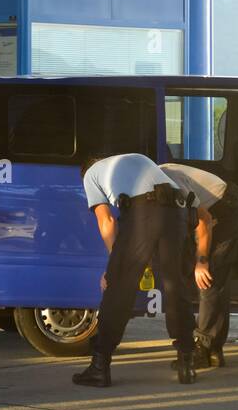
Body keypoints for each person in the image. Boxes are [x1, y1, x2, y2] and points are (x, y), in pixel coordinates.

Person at [74, 153, 197, 388]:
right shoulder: (133, 159)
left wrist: (114, 265)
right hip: (177, 210)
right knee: (175, 285)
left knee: (118, 288)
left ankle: (99, 367)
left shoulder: (90, 175)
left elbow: (107, 221)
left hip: (145, 210)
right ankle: (187, 363)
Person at [159, 163, 238, 369]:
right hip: (217, 204)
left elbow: (204, 221)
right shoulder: (156, 179)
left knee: (209, 274)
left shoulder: (168, 183)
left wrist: (202, 260)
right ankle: (214, 350)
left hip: (226, 207)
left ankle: (205, 348)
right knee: (209, 276)